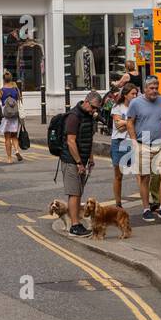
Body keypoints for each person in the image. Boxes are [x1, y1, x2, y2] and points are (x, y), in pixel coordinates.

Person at [126, 75, 161, 223]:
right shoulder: (135, 103)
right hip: (143, 144)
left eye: (156, 88)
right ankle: (146, 208)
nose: (154, 91)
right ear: (145, 89)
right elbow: (130, 123)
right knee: (145, 177)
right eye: (151, 88)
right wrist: (134, 142)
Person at [61, 91, 100, 236]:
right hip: (71, 161)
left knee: (78, 192)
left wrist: (90, 158)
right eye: (94, 107)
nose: (94, 111)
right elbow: (71, 142)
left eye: (97, 109)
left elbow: (88, 139)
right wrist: (78, 162)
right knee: (74, 193)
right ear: (86, 102)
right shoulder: (74, 116)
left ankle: (76, 222)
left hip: (82, 160)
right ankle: (74, 226)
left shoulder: (88, 117)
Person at [109, 86, 133, 208]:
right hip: (119, 142)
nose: (135, 96)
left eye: (136, 94)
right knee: (118, 175)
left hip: (133, 142)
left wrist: (125, 123)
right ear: (125, 95)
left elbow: (123, 124)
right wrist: (132, 122)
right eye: (132, 94)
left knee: (140, 173)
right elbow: (118, 126)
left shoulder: (137, 107)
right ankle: (118, 203)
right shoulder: (117, 107)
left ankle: (146, 203)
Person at [0, 72, 22, 164]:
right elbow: (20, 100)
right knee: (14, 136)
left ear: (3, 79)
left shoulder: (1, 91)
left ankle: (9, 158)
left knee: (7, 137)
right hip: (15, 114)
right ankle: (17, 151)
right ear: (11, 79)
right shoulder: (16, 89)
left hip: (6, 115)